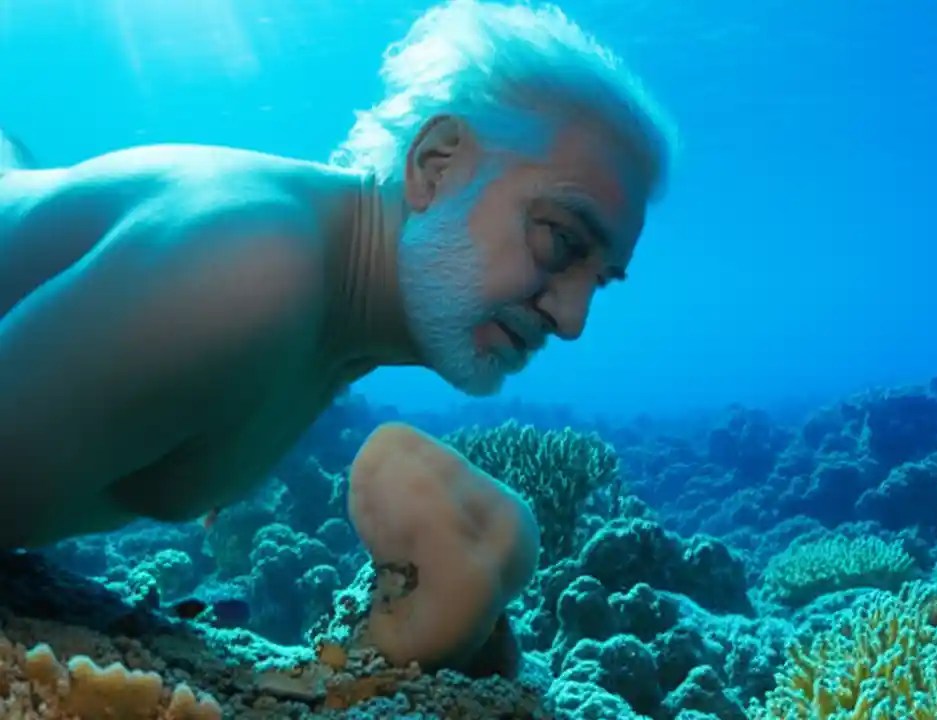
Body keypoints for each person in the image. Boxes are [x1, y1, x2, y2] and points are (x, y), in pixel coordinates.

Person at [0, 0, 677, 548]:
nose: (573, 319)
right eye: (560, 241)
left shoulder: (339, 323)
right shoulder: (251, 271)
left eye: (601, 280)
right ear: (436, 165)